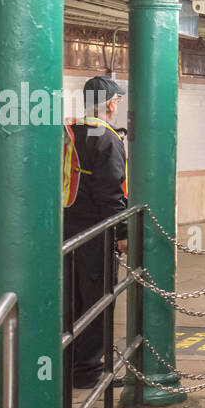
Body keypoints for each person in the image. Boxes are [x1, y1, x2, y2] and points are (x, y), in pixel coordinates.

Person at [64, 74, 128, 389]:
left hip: (66, 232)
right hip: (95, 234)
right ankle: (88, 371)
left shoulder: (73, 129)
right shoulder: (106, 138)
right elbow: (111, 193)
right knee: (97, 302)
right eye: (117, 100)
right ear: (111, 105)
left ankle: (67, 364)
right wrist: (122, 232)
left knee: (70, 300)